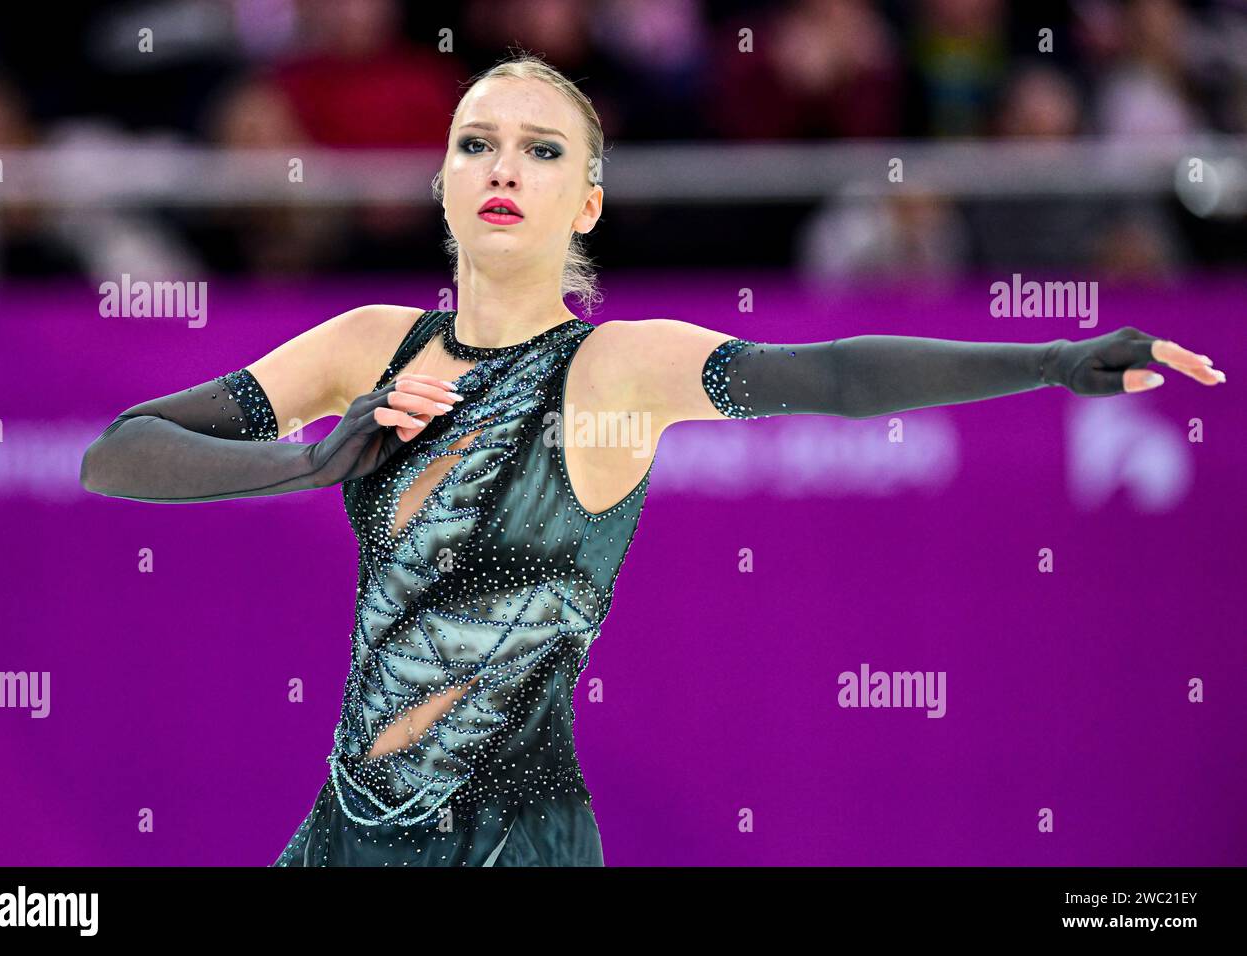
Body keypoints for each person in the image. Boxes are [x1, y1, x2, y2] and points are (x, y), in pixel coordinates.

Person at [78, 54, 1226, 867]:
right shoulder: (368, 345)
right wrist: (314, 460)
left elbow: (833, 378)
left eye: (540, 149)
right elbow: (118, 453)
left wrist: (1056, 356)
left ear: (587, 197)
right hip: (347, 831)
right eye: (474, 142)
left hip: (516, 840)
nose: (502, 166)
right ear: (439, 182)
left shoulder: (619, 367)